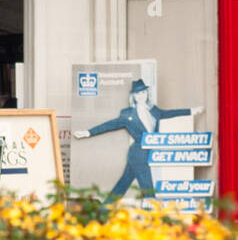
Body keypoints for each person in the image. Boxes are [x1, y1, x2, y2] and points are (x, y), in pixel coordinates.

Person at [72, 79, 202, 202]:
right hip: (138, 153)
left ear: (147, 93)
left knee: (123, 183)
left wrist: (190, 111)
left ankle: (104, 210)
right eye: (138, 93)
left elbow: (169, 113)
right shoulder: (127, 113)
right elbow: (110, 124)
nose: (141, 95)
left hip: (149, 153)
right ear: (133, 96)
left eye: (144, 92)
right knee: (148, 189)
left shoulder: (153, 110)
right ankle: (151, 218)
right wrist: (88, 132)